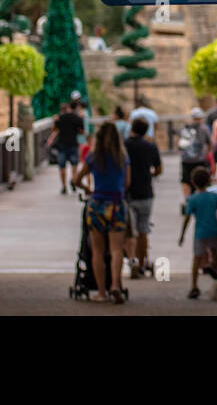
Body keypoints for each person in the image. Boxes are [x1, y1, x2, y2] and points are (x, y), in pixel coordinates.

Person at [75, 121, 131, 304]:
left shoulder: (93, 156)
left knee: (97, 251)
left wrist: (88, 189)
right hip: (116, 204)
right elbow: (127, 183)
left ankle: (101, 292)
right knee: (116, 250)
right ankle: (115, 284)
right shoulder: (122, 156)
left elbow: (76, 179)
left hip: (97, 203)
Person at [123, 117, 162, 279]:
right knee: (143, 229)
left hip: (128, 193)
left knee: (130, 231)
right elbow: (159, 169)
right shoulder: (150, 146)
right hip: (146, 192)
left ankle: (132, 261)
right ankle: (142, 262)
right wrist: (149, 174)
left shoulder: (124, 145)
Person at [178, 165, 217, 299]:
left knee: (196, 259)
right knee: (214, 252)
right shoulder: (213, 197)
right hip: (213, 230)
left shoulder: (193, 199)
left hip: (200, 233)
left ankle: (194, 286)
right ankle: (216, 270)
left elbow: (187, 218)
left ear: (193, 182)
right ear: (209, 181)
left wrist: (182, 235)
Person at [47, 100, 85, 194]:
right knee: (74, 166)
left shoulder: (60, 118)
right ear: (75, 108)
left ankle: (64, 186)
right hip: (73, 144)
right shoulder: (77, 118)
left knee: (62, 167)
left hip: (62, 145)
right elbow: (82, 132)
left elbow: (54, 129)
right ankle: (73, 180)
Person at [178, 108, 211, 198]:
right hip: (199, 160)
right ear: (200, 118)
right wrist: (207, 154)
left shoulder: (185, 128)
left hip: (186, 160)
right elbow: (210, 143)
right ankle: (200, 198)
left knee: (185, 181)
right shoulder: (204, 128)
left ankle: (187, 199)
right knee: (201, 180)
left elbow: (181, 145)